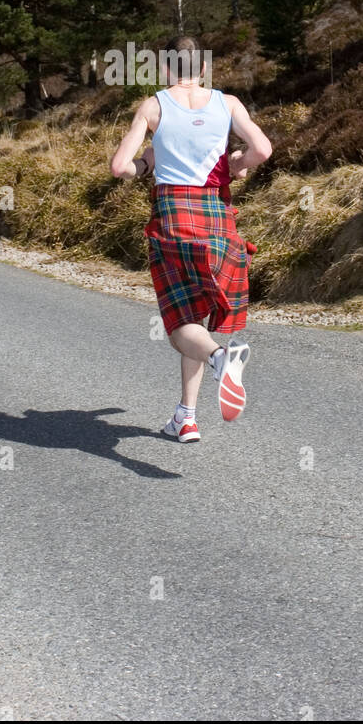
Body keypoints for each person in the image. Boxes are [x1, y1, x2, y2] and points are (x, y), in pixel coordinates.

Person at [109, 36, 272, 442]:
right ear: (202, 69)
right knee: (196, 317)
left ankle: (222, 358)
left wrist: (142, 168)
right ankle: (186, 416)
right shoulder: (228, 103)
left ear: (165, 69)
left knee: (180, 322)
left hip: (173, 221)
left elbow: (119, 167)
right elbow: (262, 150)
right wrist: (238, 163)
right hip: (218, 220)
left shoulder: (154, 106)